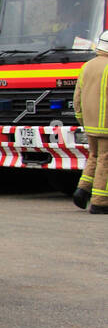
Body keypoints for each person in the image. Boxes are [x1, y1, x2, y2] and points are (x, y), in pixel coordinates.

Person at [72, 30, 108, 213]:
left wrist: (82, 120)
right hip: (106, 127)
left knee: (94, 156)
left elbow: (76, 98)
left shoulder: (87, 66)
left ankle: (82, 190)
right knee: (105, 160)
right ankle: (100, 202)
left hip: (90, 125)